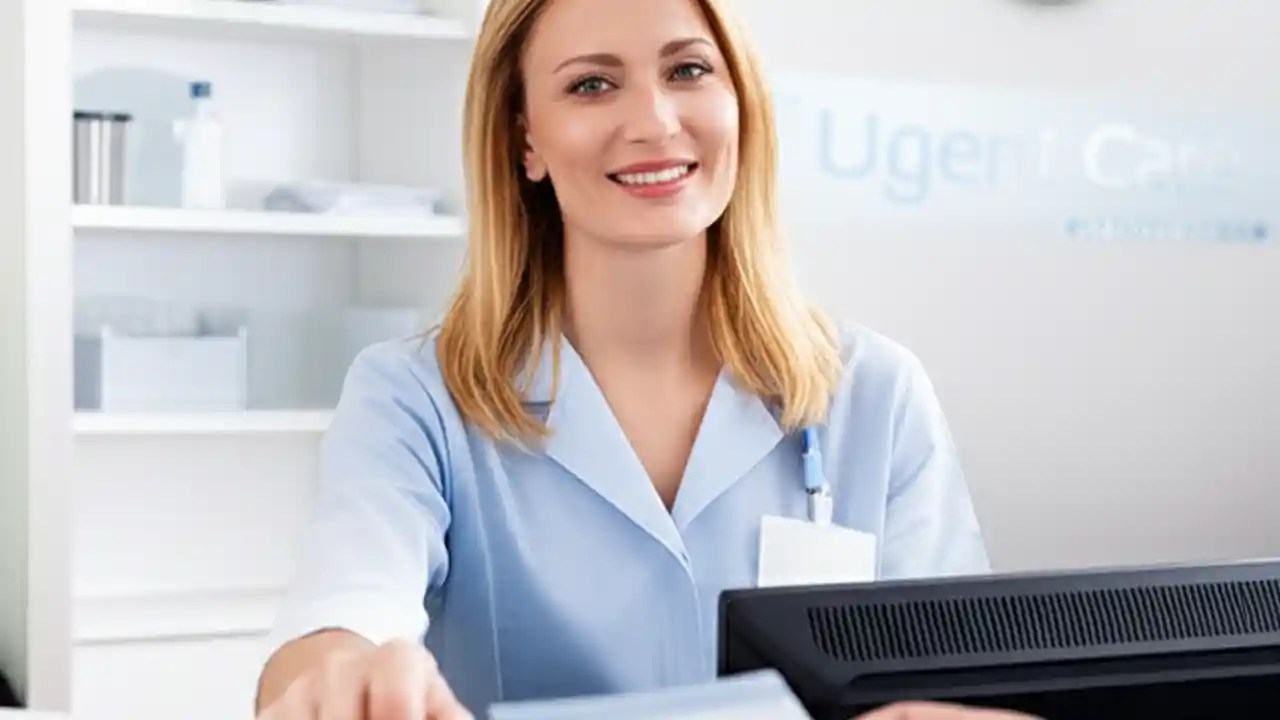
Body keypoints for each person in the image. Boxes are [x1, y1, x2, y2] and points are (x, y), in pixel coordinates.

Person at [255, 0, 1010, 718]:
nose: (654, 122)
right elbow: (341, 615)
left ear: (740, 101)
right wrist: (338, 683)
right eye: (592, 84)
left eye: (688, 70)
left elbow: (957, 681)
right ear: (525, 141)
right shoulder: (414, 398)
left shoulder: (874, 391)